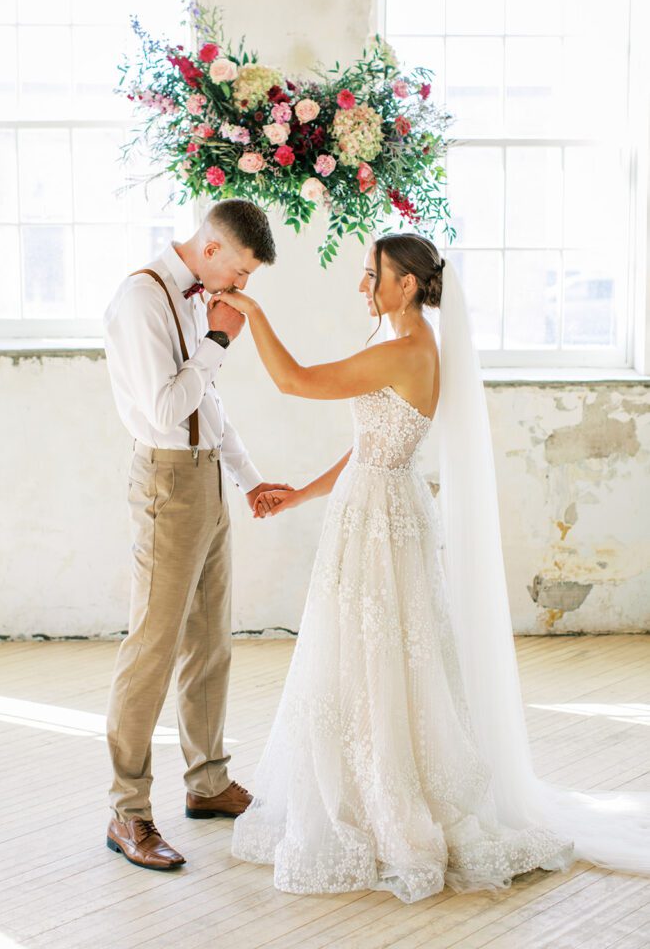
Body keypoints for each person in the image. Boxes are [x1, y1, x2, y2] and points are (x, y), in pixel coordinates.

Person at [210, 232, 650, 903]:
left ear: (406, 283)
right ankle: (367, 783)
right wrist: (299, 491)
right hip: (375, 503)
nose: (363, 285)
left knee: (384, 654)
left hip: (381, 521)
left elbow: (293, 381)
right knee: (363, 654)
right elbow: (371, 445)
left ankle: (393, 803)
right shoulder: (400, 347)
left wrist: (252, 311)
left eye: (371, 274)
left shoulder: (406, 351)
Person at [102, 199, 291, 871]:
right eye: (239, 271)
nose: (242, 289)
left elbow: (205, 404)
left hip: (206, 477)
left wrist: (249, 478)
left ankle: (207, 783)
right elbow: (163, 409)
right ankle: (128, 813)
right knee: (152, 647)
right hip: (166, 483)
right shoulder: (142, 299)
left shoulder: (201, 297)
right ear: (211, 249)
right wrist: (217, 342)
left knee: (211, 640)